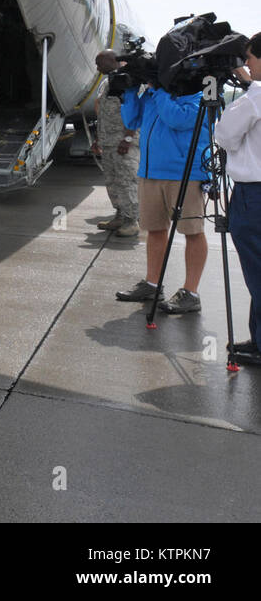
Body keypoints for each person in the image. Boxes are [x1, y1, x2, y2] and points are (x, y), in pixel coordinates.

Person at [114, 79, 210, 313]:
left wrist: (158, 90)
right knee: (155, 229)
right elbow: (131, 120)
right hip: (150, 171)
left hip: (185, 173)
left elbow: (177, 119)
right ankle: (152, 284)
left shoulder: (199, 96)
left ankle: (191, 292)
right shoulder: (153, 94)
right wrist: (127, 90)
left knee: (192, 231)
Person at [215, 34, 261, 363]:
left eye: (250, 58)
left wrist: (247, 89)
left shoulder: (254, 98)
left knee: (257, 272)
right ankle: (258, 339)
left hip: (253, 195)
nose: (246, 64)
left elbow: (224, 135)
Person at [92, 50, 140, 237]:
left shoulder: (129, 82)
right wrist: (98, 138)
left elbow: (136, 111)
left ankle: (132, 221)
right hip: (109, 141)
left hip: (123, 142)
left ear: (112, 61)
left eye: (99, 63)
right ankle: (120, 215)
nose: (97, 67)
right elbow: (104, 112)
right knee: (113, 182)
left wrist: (128, 138)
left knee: (127, 181)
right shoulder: (107, 83)